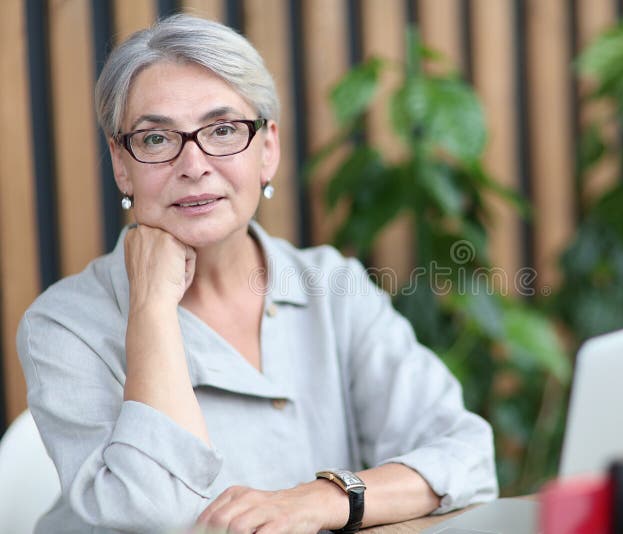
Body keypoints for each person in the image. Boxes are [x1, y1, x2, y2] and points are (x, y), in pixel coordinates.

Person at [16, 14, 497, 534]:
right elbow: (153, 514)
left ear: (268, 149)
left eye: (223, 130)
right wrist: (151, 310)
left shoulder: (332, 286)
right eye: (156, 139)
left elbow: (467, 457)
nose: (194, 164)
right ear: (121, 162)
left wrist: (319, 500)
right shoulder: (63, 325)